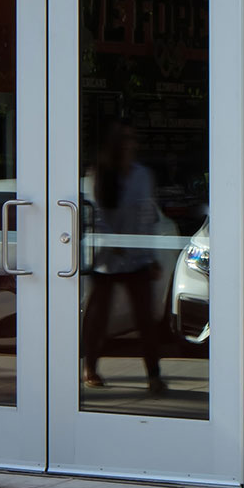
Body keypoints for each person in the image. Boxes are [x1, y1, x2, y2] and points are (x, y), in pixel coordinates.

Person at [80, 124, 169, 396]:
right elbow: (95, 217)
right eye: (126, 140)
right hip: (107, 259)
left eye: (133, 139)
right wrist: (115, 244)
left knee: (145, 319)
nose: (131, 145)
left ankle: (154, 376)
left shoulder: (143, 175)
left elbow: (147, 216)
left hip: (137, 258)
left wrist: (150, 255)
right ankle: (90, 368)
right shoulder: (98, 174)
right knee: (98, 317)